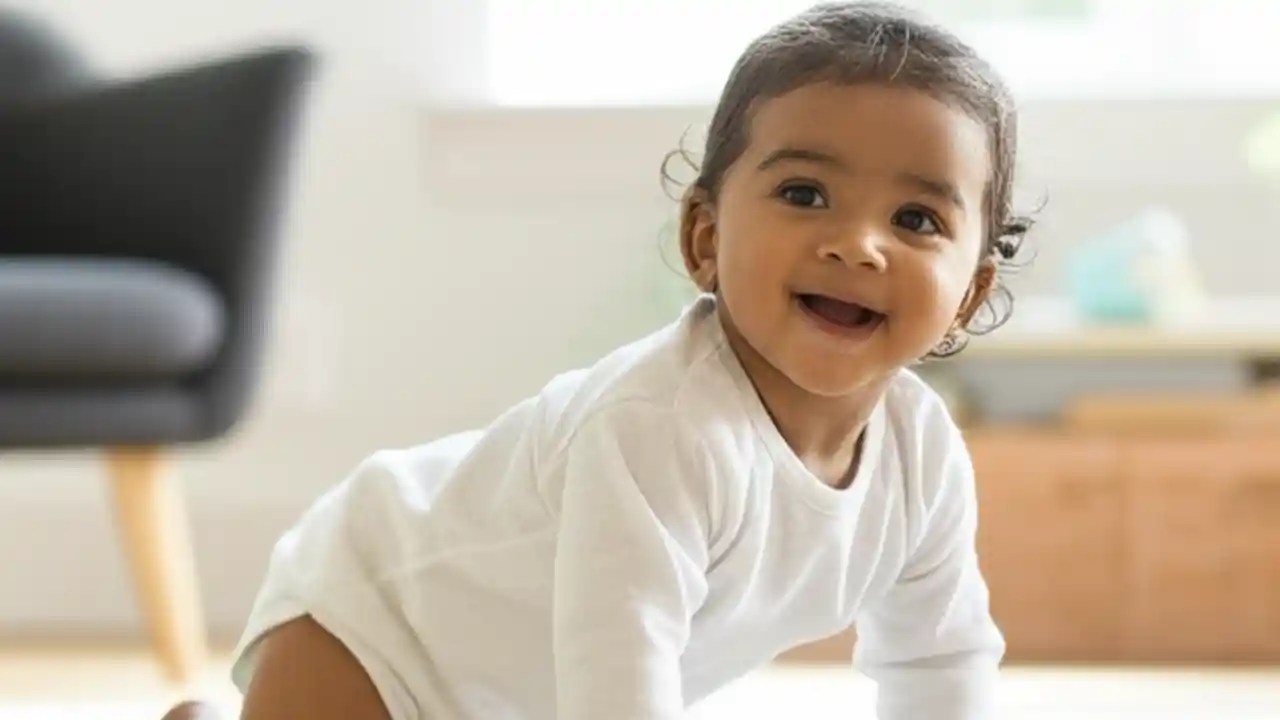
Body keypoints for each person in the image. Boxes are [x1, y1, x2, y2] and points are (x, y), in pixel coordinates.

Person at [234, 2, 1034, 718]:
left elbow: (940, 658)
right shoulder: (658, 428)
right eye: (804, 194)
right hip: (378, 629)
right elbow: (620, 671)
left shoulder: (922, 456)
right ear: (705, 238)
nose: (857, 244)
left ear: (969, 294)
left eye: (915, 218)